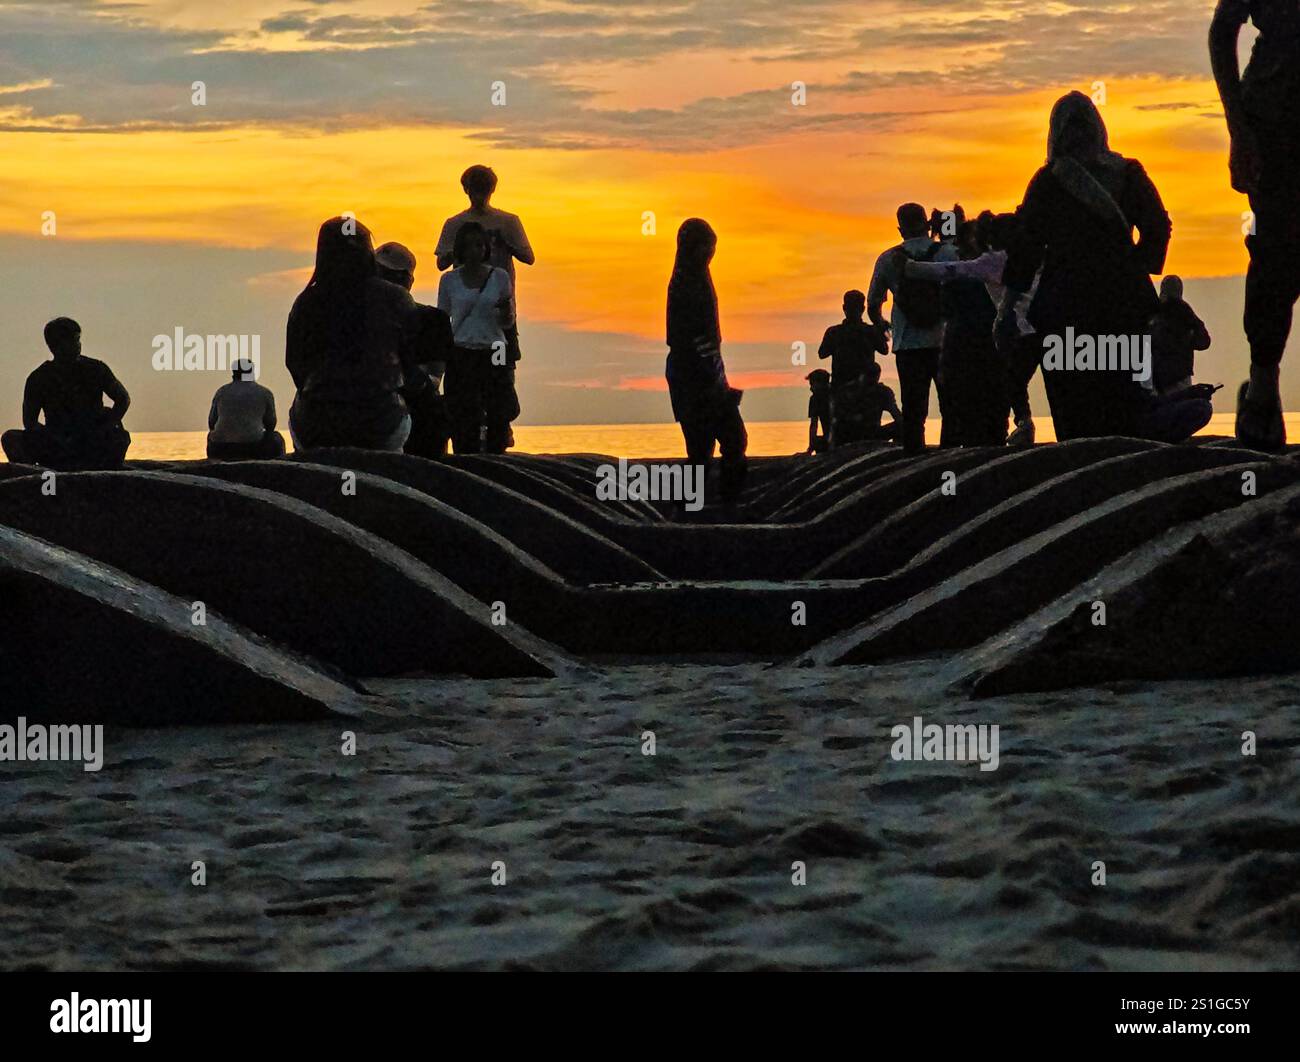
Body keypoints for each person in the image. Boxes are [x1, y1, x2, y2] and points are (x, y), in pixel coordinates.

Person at [1000, 92, 1211, 443]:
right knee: (1123, 387)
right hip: (1122, 300)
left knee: (1072, 393)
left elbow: (1027, 245)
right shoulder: (1127, 172)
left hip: (1065, 301)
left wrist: (1008, 306)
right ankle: (1137, 437)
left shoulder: (1049, 179)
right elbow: (1159, 225)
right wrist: (1135, 267)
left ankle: (1081, 453)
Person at [1210, 0, 1300, 450]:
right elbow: (1223, 30)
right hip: (1274, 123)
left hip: (1268, 118)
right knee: (1278, 253)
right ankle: (1263, 383)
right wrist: (1239, 129)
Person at [286, 217, 434, 452]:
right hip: (380, 421)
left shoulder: (305, 302)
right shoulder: (397, 298)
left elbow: (295, 365)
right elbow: (409, 364)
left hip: (316, 424)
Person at [435, 165, 533, 448]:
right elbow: (441, 262)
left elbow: (529, 257)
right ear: (466, 190)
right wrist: (462, 248)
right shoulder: (454, 224)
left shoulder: (507, 221)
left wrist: (501, 243)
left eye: (484, 189)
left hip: (498, 303)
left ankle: (501, 427)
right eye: (475, 189)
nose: (479, 195)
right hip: (464, 307)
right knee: (464, 389)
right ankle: (469, 436)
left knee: (503, 370)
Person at [902, 212, 1009, 447]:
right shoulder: (995, 269)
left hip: (961, 348)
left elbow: (948, 312)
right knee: (991, 409)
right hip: (989, 348)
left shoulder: (962, 275)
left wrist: (910, 268)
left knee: (957, 407)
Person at [665, 218, 748, 502]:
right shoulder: (687, 285)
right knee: (718, 444)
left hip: (702, 373)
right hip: (694, 375)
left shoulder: (697, 279)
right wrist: (715, 385)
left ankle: (713, 505)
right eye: (705, 248)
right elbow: (690, 341)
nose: (710, 254)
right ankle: (710, 508)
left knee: (717, 446)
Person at [869, 203, 960, 452]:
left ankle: (914, 455)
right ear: (927, 224)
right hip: (945, 341)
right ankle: (950, 456)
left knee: (913, 408)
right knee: (950, 404)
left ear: (900, 229)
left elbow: (873, 304)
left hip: (907, 344)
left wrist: (882, 326)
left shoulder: (887, 259)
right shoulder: (948, 253)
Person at [1, 317, 131, 470]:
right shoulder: (38, 378)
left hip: (94, 439)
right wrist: (57, 438)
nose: (78, 345)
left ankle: (106, 466)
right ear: (55, 346)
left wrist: (105, 426)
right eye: (73, 340)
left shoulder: (96, 369)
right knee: (10, 438)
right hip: (58, 443)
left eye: (78, 340)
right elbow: (30, 422)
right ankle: (38, 474)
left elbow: (123, 399)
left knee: (118, 434)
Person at [437, 221, 516, 454]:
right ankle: (466, 454)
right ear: (461, 249)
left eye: (480, 245)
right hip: (462, 348)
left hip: (494, 349)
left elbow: (507, 321)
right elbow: (444, 316)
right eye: (470, 246)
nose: (476, 251)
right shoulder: (450, 280)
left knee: (497, 409)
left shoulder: (499, 277)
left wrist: (506, 313)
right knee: (463, 409)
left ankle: (497, 454)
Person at [375, 241, 454, 458]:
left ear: (406, 281)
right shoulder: (360, 319)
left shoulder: (432, 320)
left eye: (388, 276)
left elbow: (434, 376)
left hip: (412, 404)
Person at [819, 289, 888, 423]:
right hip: (859, 390)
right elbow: (884, 349)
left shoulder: (835, 332)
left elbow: (822, 353)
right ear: (862, 309)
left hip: (849, 389)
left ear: (844, 308)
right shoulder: (869, 331)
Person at [206, 359, 284, 460]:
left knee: (210, 435)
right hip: (252, 446)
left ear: (233, 373)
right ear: (252, 373)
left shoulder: (222, 392)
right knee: (276, 438)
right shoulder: (264, 393)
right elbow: (271, 425)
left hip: (221, 447)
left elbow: (212, 423)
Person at [1148, 276, 1212, 395]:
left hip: (1158, 378)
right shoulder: (1185, 313)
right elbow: (1203, 342)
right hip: (1178, 378)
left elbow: (1203, 341)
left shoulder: (1155, 312)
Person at [833, 361, 902, 447]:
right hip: (851, 434)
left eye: (874, 376)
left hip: (872, 433)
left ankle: (900, 448)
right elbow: (837, 417)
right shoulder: (846, 391)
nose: (871, 380)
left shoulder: (882, 392)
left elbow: (897, 415)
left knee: (902, 425)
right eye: (870, 375)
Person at [806, 369, 832, 454]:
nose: (810, 388)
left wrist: (811, 448)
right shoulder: (835, 393)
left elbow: (814, 425)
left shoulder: (815, 399)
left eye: (812, 384)